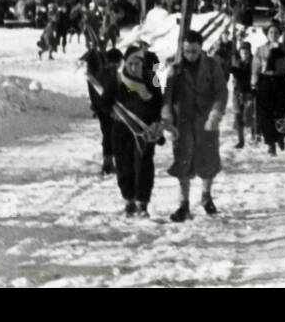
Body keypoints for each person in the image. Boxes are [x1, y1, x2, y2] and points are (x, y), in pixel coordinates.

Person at [162, 29, 228, 221]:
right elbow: (167, 97)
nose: (190, 55)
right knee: (183, 161)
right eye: (187, 51)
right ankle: (184, 204)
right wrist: (167, 118)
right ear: (182, 50)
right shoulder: (175, 69)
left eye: (194, 51)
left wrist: (216, 113)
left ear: (201, 49)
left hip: (207, 121)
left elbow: (221, 92)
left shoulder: (212, 65)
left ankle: (206, 197)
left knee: (208, 159)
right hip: (182, 122)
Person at [101, 44, 164, 218]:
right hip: (122, 130)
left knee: (144, 166)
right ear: (125, 63)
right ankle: (128, 200)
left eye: (137, 64)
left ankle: (142, 203)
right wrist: (112, 112)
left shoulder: (152, 79)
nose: (134, 67)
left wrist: (157, 123)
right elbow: (104, 102)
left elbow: (160, 102)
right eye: (130, 64)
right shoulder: (118, 80)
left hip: (146, 130)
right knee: (124, 165)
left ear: (143, 63)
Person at [253, 24, 285, 155]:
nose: (274, 35)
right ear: (267, 35)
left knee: (281, 112)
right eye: (271, 32)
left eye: (276, 32)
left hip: (281, 81)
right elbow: (255, 69)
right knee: (266, 114)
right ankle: (270, 142)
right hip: (265, 81)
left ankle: (280, 137)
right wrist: (254, 85)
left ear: (279, 34)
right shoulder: (260, 50)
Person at [83, 45, 123, 175]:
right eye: (119, 61)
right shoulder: (108, 73)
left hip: (102, 108)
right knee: (111, 135)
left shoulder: (102, 72)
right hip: (108, 108)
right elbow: (107, 92)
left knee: (108, 135)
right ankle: (109, 164)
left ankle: (109, 163)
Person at [231, 41, 257, 147]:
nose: (244, 55)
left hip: (249, 93)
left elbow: (252, 75)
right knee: (237, 116)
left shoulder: (254, 63)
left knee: (249, 116)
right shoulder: (236, 61)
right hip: (237, 93)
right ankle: (241, 141)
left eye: (246, 52)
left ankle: (254, 136)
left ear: (249, 52)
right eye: (242, 52)